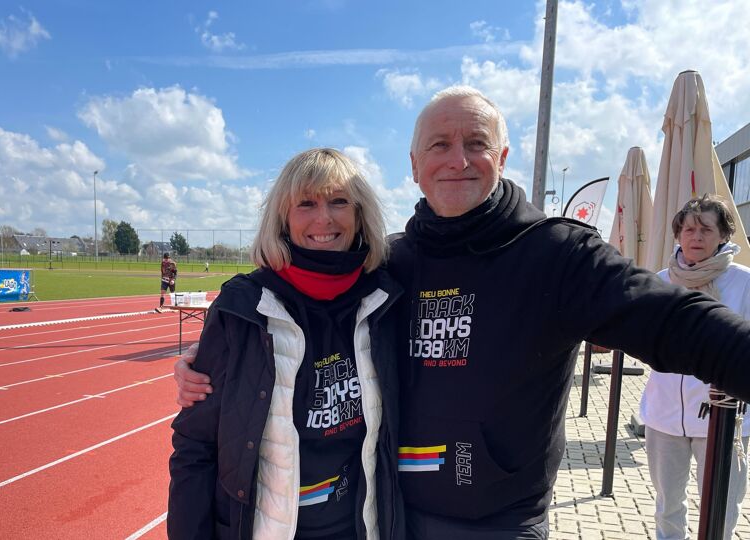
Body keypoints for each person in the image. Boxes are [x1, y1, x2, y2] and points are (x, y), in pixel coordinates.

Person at [176, 86, 750, 539]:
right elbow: (301, 317)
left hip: (500, 524)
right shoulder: (389, 267)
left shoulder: (557, 254)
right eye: (440, 145)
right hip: (393, 520)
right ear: (414, 164)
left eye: (475, 143)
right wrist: (210, 361)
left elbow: (679, 322)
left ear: (501, 156)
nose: (458, 160)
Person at [168, 148, 405, 539]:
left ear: (360, 214)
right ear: (283, 218)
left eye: (339, 201)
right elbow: (195, 445)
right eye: (306, 203)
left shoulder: (386, 300)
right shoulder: (242, 308)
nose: (323, 218)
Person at [638, 195, 750, 540]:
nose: (696, 237)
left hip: (724, 413)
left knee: (721, 507)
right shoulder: (659, 282)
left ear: (723, 236)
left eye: (706, 229)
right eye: (689, 229)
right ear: (678, 235)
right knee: (667, 506)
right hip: (665, 413)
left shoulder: (744, 283)